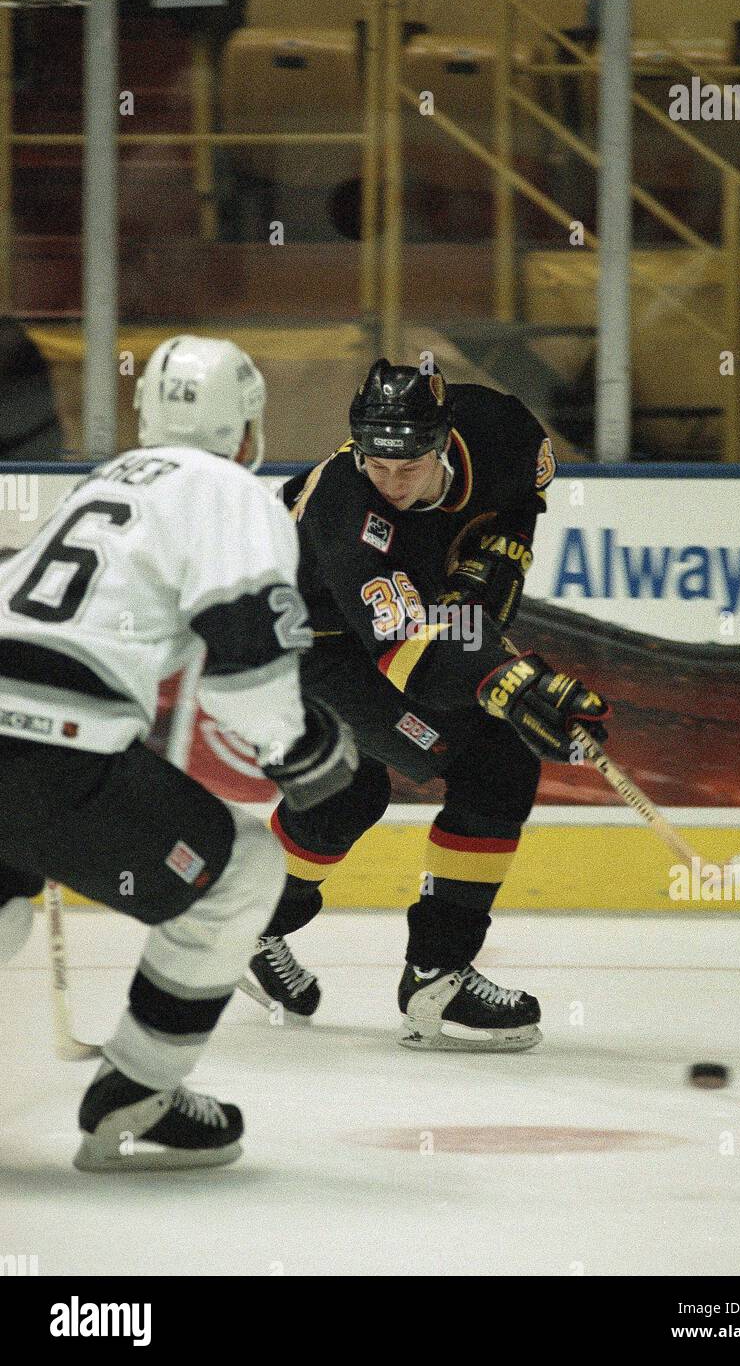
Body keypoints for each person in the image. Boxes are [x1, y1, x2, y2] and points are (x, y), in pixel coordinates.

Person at [0, 335, 356, 1171]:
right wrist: (303, 750)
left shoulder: (102, 482)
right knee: (244, 874)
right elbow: (244, 665)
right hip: (59, 753)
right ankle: (140, 1089)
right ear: (246, 427)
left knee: (6, 900)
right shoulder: (230, 491)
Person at [247, 358, 609, 1051]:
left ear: (443, 440)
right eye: (376, 466)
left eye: (407, 467)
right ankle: (437, 977)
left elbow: (520, 498)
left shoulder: (503, 431)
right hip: (313, 645)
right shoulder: (347, 507)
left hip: (382, 632)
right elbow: (416, 657)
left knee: (347, 793)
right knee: (495, 758)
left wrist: (504, 550)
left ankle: (245, 922)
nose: (390, 483)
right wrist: (514, 680)